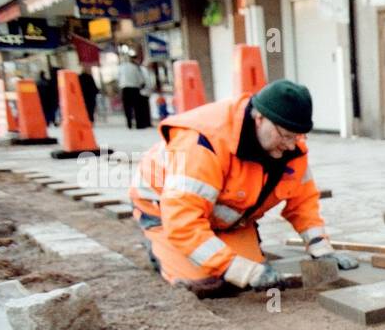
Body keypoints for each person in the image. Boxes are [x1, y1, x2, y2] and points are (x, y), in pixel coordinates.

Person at [128, 78, 359, 297]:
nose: (290, 145)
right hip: (165, 213)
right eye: (285, 136)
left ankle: (223, 244)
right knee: (208, 280)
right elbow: (182, 222)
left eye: (297, 137)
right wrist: (239, 269)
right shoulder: (203, 143)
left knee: (248, 274)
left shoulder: (291, 146)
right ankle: (157, 245)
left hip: (222, 220)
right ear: (259, 118)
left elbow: (303, 202)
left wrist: (321, 248)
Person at [118, 50, 146, 129]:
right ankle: (138, 124)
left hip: (125, 89)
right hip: (134, 89)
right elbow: (141, 80)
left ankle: (129, 124)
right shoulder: (135, 67)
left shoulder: (121, 67)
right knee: (137, 107)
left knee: (127, 107)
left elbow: (118, 78)